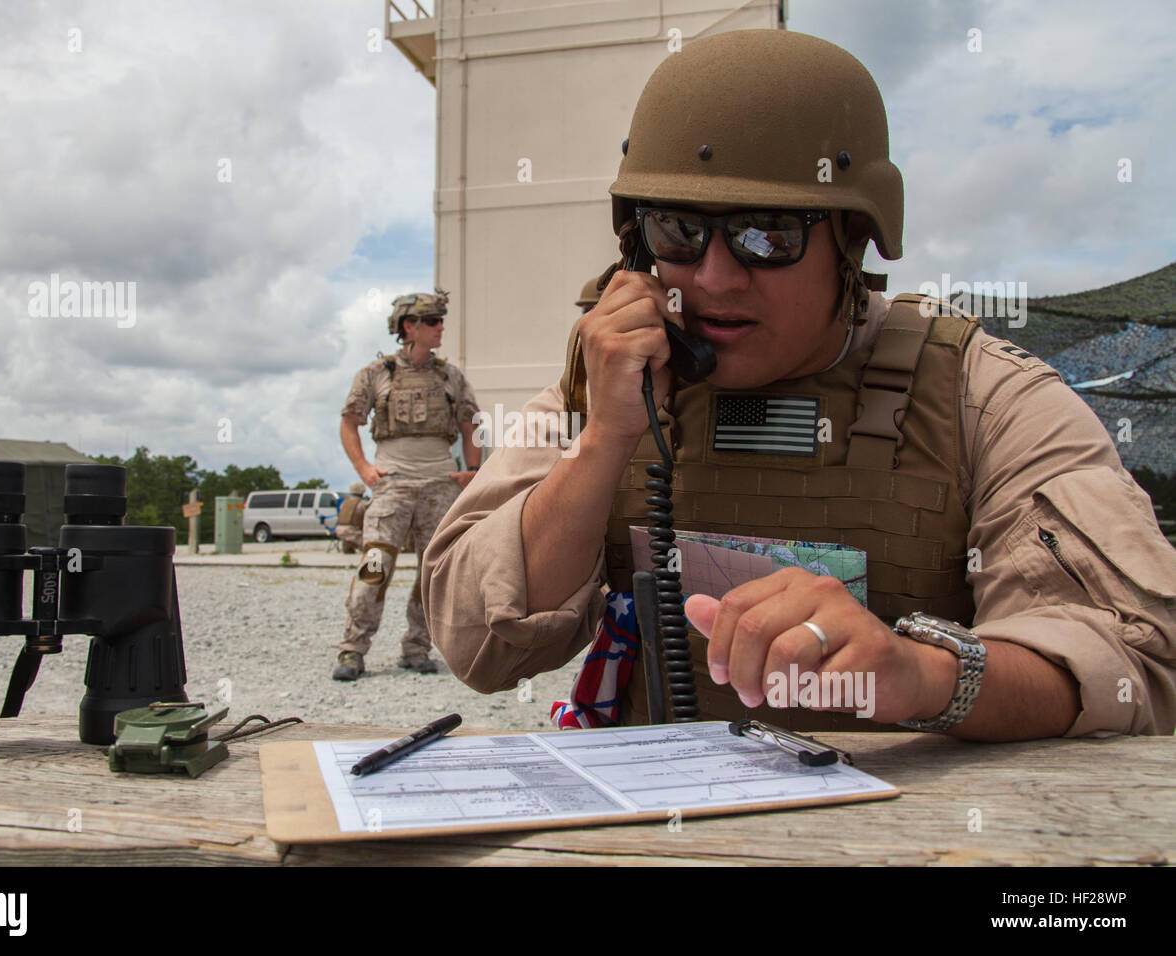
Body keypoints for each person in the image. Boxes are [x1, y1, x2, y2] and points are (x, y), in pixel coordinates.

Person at [422, 30, 1176, 739]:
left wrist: (922, 675)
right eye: (680, 232)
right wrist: (604, 442)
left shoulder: (983, 398)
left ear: (852, 241)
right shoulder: (612, 385)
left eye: (768, 235)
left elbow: (1135, 670)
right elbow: (477, 645)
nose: (715, 278)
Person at [334, 289, 481, 680]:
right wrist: (364, 467)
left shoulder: (451, 376)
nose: (440, 328)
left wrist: (473, 469)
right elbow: (349, 422)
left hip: (440, 485)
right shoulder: (376, 374)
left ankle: (417, 648)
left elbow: (471, 425)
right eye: (432, 321)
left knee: (433, 572)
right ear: (408, 327)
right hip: (392, 484)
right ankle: (352, 649)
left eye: (440, 321)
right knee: (375, 565)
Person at [334, 481, 368, 554]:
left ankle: (348, 546)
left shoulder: (344, 502)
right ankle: (352, 544)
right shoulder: (362, 503)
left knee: (348, 538)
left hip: (339, 530)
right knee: (371, 547)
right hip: (353, 532)